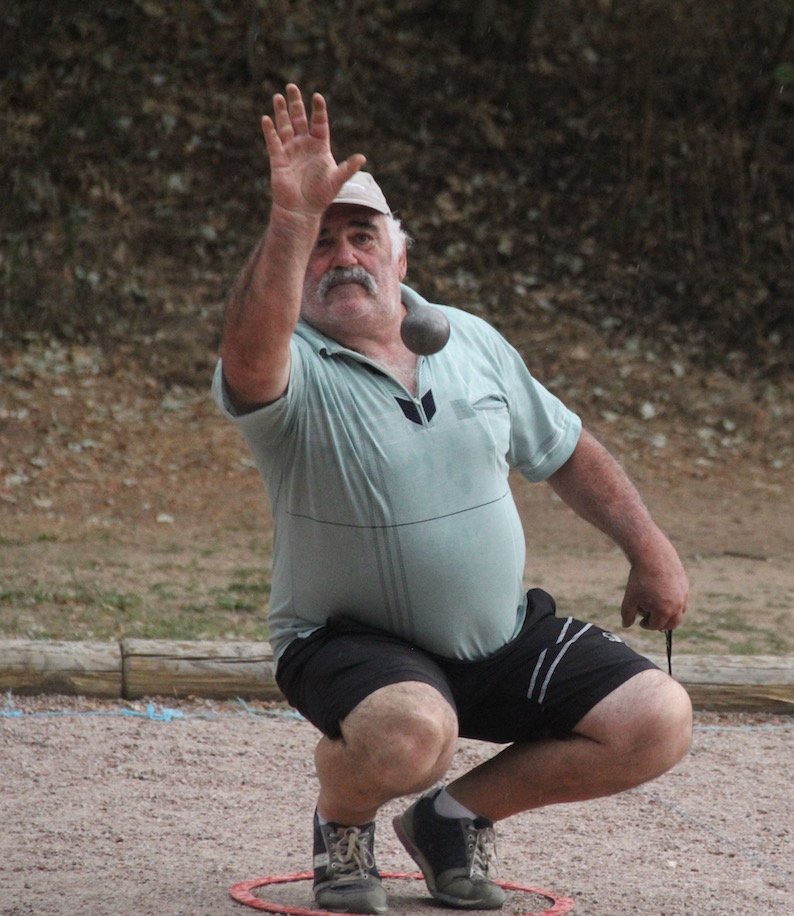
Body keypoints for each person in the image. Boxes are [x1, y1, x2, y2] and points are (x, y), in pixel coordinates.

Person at [212, 84, 692, 915]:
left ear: (400, 257)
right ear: (295, 269)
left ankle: (449, 822)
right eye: (320, 245)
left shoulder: (470, 340)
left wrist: (651, 550)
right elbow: (248, 364)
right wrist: (290, 221)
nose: (342, 256)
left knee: (658, 719)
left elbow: (566, 449)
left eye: (359, 235)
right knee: (411, 733)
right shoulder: (291, 367)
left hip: (499, 634)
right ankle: (344, 824)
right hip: (346, 643)